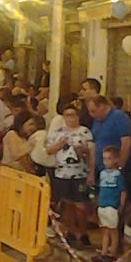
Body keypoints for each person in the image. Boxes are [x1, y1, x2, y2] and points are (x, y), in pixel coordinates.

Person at [47, 103, 94, 247]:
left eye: (72, 115)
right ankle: (71, 232)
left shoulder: (84, 132)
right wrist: (59, 145)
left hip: (79, 173)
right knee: (66, 205)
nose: (69, 118)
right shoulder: (58, 133)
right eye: (66, 115)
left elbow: (91, 152)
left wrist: (91, 171)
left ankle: (83, 232)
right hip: (62, 174)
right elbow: (49, 150)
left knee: (81, 205)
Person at [96, 143, 126, 259]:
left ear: (116, 159)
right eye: (104, 159)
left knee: (113, 230)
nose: (106, 162)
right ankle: (103, 252)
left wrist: (121, 205)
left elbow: (123, 191)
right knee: (104, 230)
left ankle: (113, 252)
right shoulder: (102, 173)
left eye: (109, 159)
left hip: (112, 205)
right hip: (102, 204)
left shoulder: (118, 175)